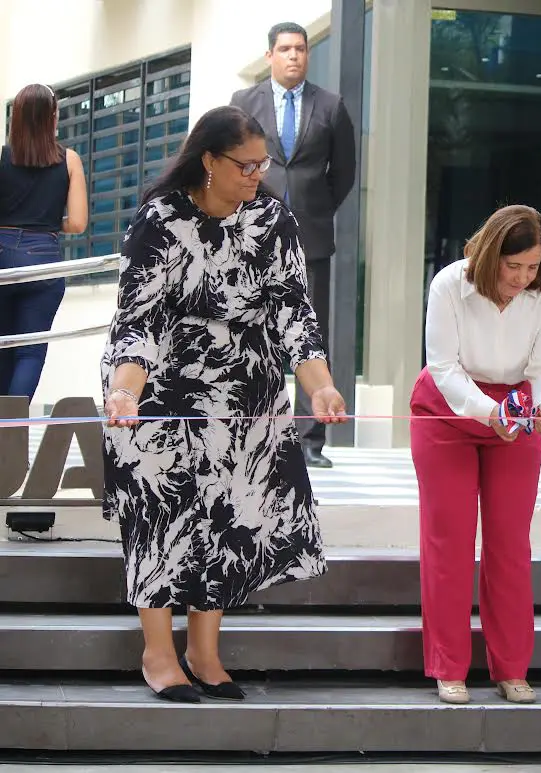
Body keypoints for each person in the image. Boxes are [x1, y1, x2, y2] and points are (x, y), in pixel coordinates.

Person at [101, 105, 348, 704]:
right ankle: (159, 652)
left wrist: (320, 385)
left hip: (246, 391)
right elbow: (139, 320)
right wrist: (125, 391)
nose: (257, 175)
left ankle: (205, 652)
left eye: (262, 164)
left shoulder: (271, 218)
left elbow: (295, 313)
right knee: (161, 511)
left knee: (226, 514)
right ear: (209, 160)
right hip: (159, 387)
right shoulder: (160, 219)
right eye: (246, 165)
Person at [410, 204, 541, 705]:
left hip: (517, 411)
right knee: (449, 540)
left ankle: (511, 667)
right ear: (490, 255)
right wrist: (486, 411)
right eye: (512, 266)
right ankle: (449, 666)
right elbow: (444, 366)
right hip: (448, 410)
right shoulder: (449, 285)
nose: (522, 278)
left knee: (509, 543)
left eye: (531, 268)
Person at [230, 21, 357, 469]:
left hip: (311, 237)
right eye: (284, 49)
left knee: (310, 334)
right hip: (252, 235)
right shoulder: (244, 104)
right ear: (270, 56)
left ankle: (310, 440)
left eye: (300, 49)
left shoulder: (331, 105)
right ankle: (256, 430)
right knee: (251, 331)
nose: (294, 57)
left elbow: (344, 173)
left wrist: (316, 210)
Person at [0, 84, 88, 400]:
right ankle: (10, 436)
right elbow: (77, 223)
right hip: (43, 256)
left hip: (2, 255)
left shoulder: (2, 156)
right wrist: (48, 223)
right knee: (29, 353)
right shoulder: (69, 160)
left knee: (3, 346)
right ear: (52, 117)